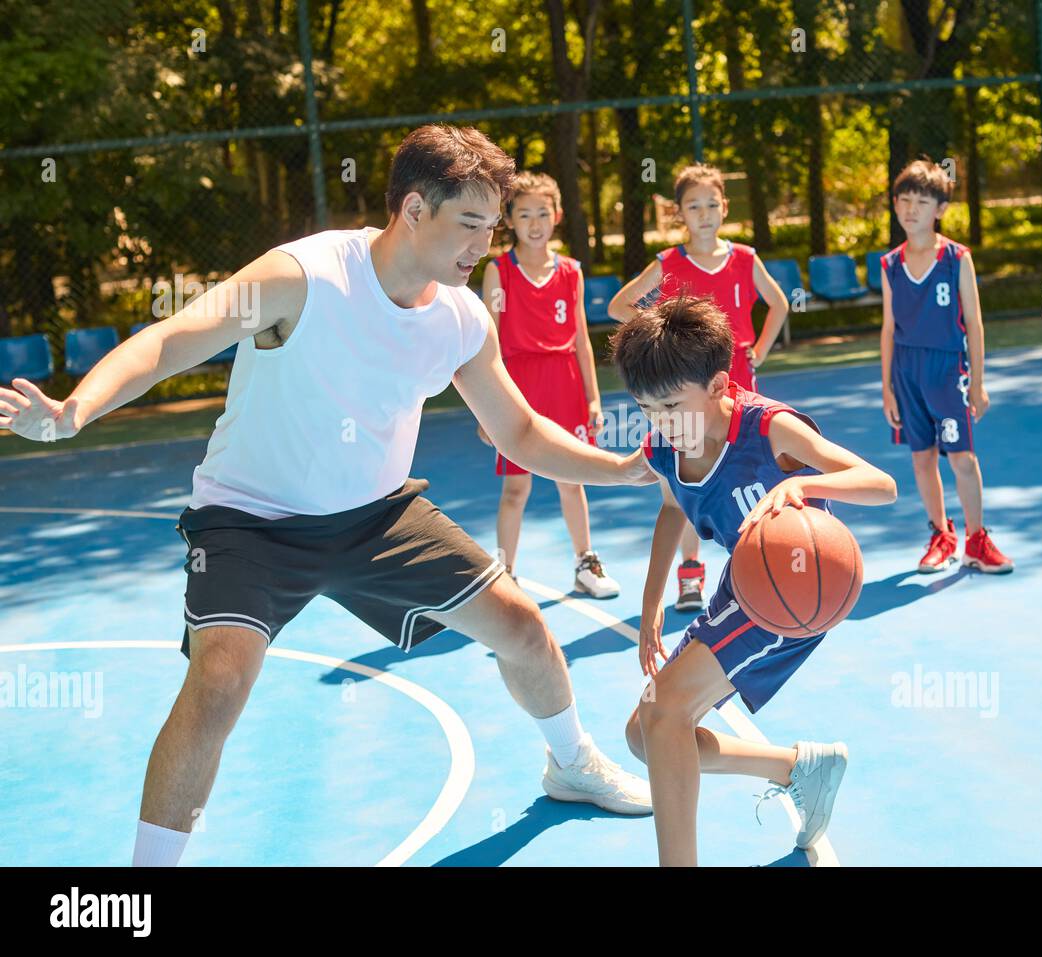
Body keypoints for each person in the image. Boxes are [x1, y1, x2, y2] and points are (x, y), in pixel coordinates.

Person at [0, 124, 655, 867]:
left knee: (524, 627)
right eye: (470, 223)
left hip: (378, 515)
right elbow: (173, 339)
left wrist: (625, 467)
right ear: (413, 210)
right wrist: (75, 411)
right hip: (251, 519)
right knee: (219, 679)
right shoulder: (301, 276)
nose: (484, 243)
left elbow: (523, 432)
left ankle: (570, 762)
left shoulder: (462, 318)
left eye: (493, 225)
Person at [608, 294, 898, 866]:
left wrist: (806, 486)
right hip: (744, 588)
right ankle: (798, 769)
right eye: (646, 409)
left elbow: (879, 483)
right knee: (644, 734)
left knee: (665, 713)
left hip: (793, 592)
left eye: (671, 405)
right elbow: (672, 509)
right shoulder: (668, 444)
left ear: (718, 386)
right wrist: (650, 604)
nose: (661, 422)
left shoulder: (770, 429)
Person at [609, 163, 790, 614]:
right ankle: (691, 574)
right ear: (679, 214)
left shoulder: (745, 259)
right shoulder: (670, 263)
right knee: (687, 484)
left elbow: (780, 303)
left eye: (712, 204)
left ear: (724, 208)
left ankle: (762, 562)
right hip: (689, 393)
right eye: (694, 206)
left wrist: (760, 350)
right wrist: (666, 341)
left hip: (737, 384)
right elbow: (619, 305)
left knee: (753, 476)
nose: (704, 213)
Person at [477, 171, 619, 597]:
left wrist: (593, 398)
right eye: (524, 214)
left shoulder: (571, 272)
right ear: (510, 220)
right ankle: (505, 575)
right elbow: (486, 344)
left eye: (542, 213)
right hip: (517, 385)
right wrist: (487, 406)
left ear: (556, 216)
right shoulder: (498, 272)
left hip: (565, 383)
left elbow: (581, 340)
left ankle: (585, 563)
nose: (535, 223)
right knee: (516, 487)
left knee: (571, 480)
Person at [880, 158, 1014, 573]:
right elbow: (888, 327)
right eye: (904, 200)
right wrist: (886, 387)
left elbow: (973, 323)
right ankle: (941, 534)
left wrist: (978, 384)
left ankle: (977, 539)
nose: (911, 209)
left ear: (939, 209)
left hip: (947, 370)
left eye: (922, 201)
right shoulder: (890, 264)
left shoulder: (957, 258)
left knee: (961, 458)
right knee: (922, 458)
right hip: (906, 371)